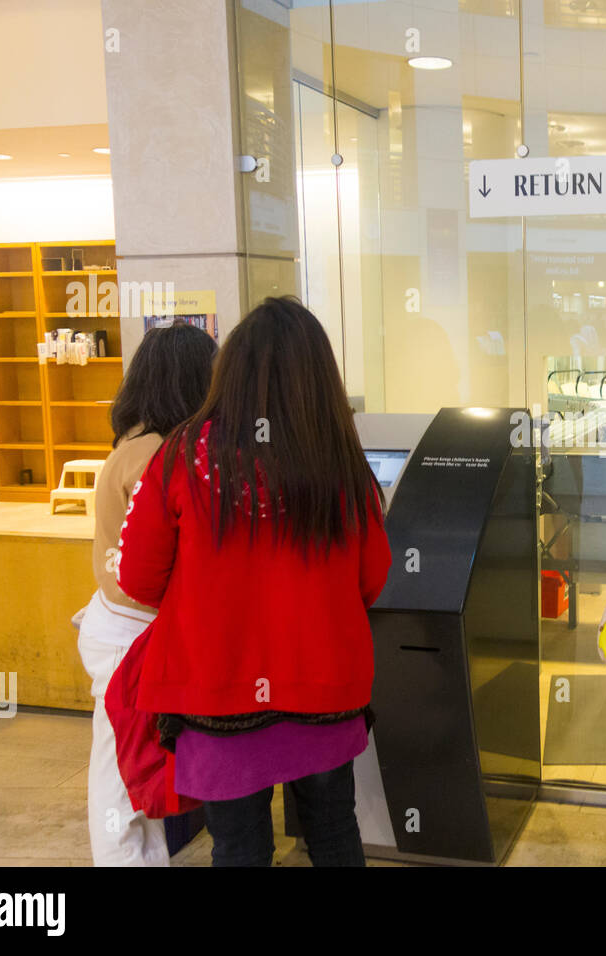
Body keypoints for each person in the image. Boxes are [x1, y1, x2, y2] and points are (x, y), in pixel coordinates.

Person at [115, 296, 391, 867]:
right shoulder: (344, 466)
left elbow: (138, 579)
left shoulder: (182, 458)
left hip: (218, 696)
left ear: (231, 370)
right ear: (320, 377)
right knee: (335, 830)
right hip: (325, 688)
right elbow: (373, 580)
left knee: (239, 846)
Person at [76, 322, 217, 866]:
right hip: (132, 640)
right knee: (118, 789)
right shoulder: (157, 456)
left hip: (125, 629)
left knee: (138, 783)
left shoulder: (138, 442)